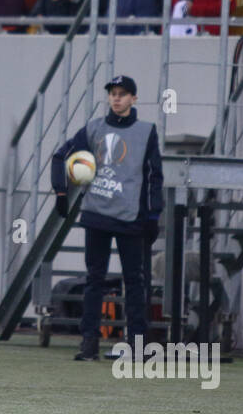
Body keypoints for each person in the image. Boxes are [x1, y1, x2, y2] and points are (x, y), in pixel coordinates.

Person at [50, 75, 164, 361]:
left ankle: (137, 344)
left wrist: (153, 215)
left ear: (134, 99)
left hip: (130, 217)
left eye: (123, 94)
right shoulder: (93, 129)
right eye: (113, 93)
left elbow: (154, 176)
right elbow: (60, 156)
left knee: (135, 281)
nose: (117, 98)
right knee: (94, 280)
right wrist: (61, 192)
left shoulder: (146, 131)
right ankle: (89, 343)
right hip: (97, 214)